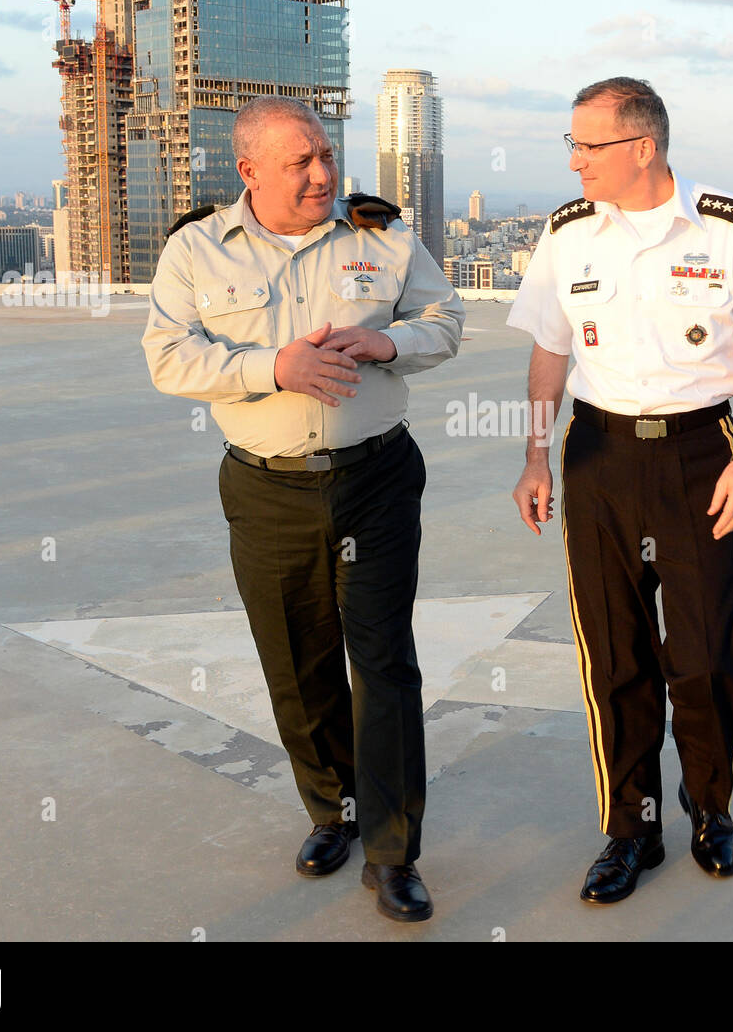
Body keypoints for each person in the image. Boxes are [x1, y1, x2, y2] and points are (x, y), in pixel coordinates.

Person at [141, 96, 464, 923]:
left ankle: (393, 851)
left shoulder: (380, 235)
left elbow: (445, 319)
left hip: (377, 479)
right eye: (300, 163)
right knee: (297, 659)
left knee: (383, 662)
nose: (323, 174)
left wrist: (391, 342)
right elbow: (170, 357)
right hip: (267, 487)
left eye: (324, 155)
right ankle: (335, 812)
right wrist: (272, 367)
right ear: (248, 171)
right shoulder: (196, 248)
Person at [507, 76, 733, 904]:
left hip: (698, 453)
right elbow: (547, 349)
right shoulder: (566, 235)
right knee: (614, 651)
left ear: (642, 147)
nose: (574, 162)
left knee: (708, 653)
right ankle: (629, 829)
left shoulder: (730, 227)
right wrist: (535, 456)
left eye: (587, 145)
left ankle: (710, 805)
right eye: (569, 144)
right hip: (598, 454)